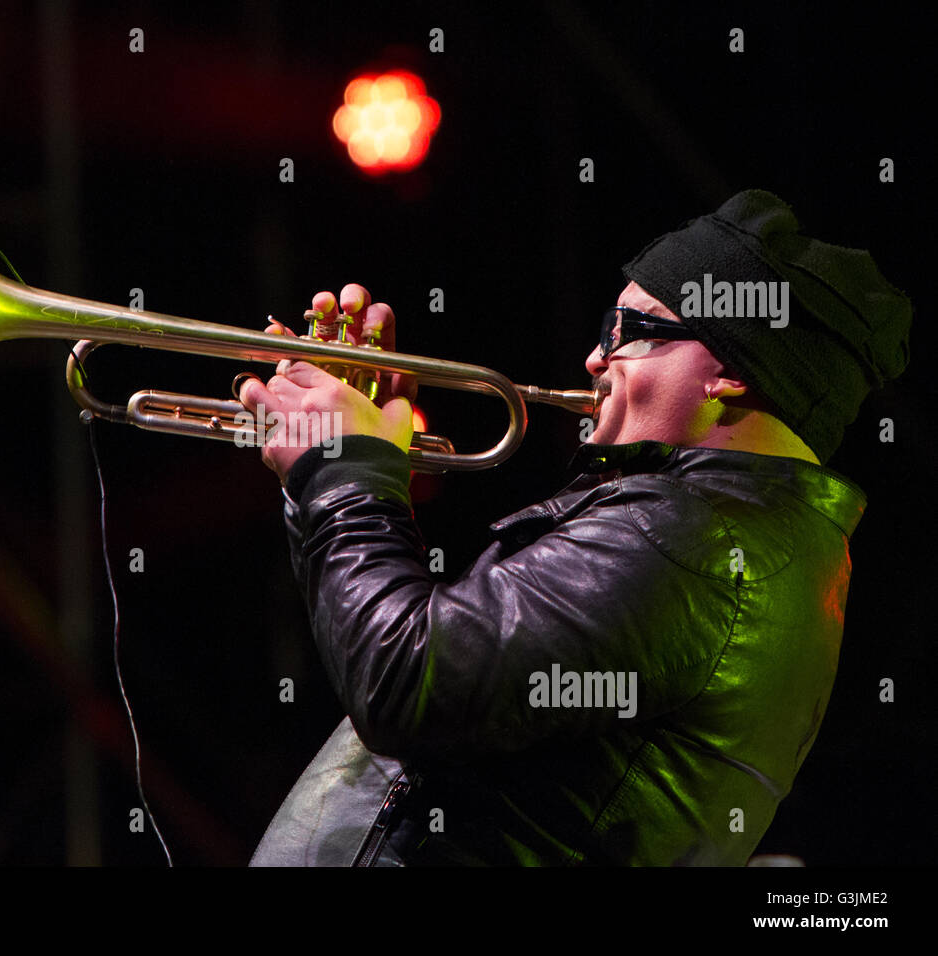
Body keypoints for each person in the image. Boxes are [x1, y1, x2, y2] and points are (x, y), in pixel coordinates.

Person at [237, 190, 911, 866]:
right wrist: (336, 473)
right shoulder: (741, 537)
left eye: (624, 329)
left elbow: (404, 679)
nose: (594, 358)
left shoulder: (690, 540)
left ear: (729, 371)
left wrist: (340, 474)